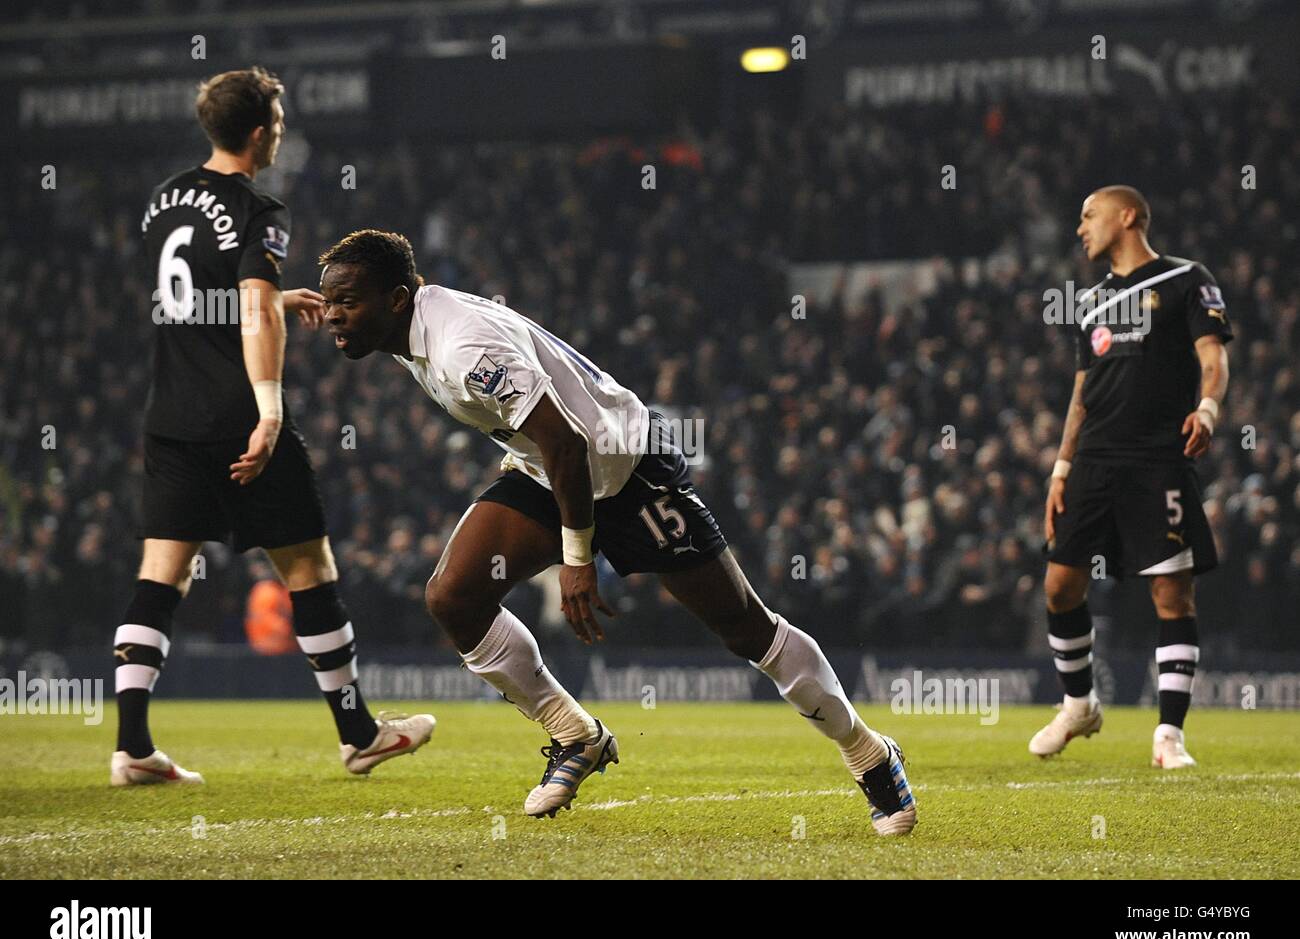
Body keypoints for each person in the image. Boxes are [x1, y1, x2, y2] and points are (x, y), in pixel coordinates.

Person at [316, 229, 916, 833]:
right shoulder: (405, 327)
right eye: (328, 301)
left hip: (622, 468)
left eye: (346, 302)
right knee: (454, 596)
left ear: (396, 298)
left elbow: (566, 439)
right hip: (550, 472)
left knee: (746, 629)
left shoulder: (460, 345)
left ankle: (870, 754)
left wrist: (576, 560)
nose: (333, 315)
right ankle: (576, 736)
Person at [112, 68, 433, 787]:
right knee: (309, 567)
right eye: (279, 122)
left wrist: (268, 297)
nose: (281, 133)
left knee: (160, 574)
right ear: (260, 131)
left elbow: (191, 300)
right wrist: (270, 407)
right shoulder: (259, 207)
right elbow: (249, 312)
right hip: (233, 412)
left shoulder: (165, 200)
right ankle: (360, 735)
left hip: (169, 415)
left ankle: (131, 746)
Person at [1036, 185, 1231, 768]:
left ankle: (1168, 736)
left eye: (1088, 215)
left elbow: (1214, 356)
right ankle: (1079, 705)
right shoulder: (1091, 303)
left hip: (1157, 459)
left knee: (1172, 593)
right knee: (1059, 586)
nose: (1080, 228)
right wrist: (1062, 466)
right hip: (1094, 460)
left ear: (1127, 217)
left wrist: (1210, 408)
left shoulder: (1185, 279)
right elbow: (1080, 394)